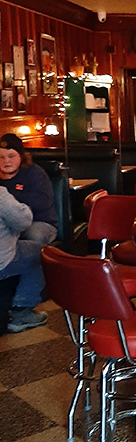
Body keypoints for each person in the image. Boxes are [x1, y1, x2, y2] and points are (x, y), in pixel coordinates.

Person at [0, 185, 48, 333]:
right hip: (3, 261)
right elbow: (23, 220)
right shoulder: (1, 194)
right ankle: (21, 313)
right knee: (41, 253)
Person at [0, 134, 58, 246]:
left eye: (11, 156)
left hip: (38, 222)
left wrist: (11, 197)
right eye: (1, 157)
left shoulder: (35, 173)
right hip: (6, 224)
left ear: (21, 156)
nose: (6, 161)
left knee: (34, 234)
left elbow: (43, 202)